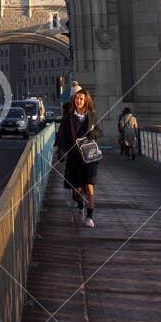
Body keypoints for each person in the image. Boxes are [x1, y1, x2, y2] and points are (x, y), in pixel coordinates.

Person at [55, 85, 102, 228]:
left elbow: (99, 130)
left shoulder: (92, 115)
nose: (79, 101)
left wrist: (93, 134)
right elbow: (61, 135)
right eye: (77, 98)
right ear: (74, 100)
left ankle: (89, 216)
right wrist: (61, 151)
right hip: (74, 156)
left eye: (81, 99)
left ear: (86, 100)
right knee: (77, 188)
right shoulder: (68, 117)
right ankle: (80, 204)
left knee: (89, 185)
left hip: (89, 156)